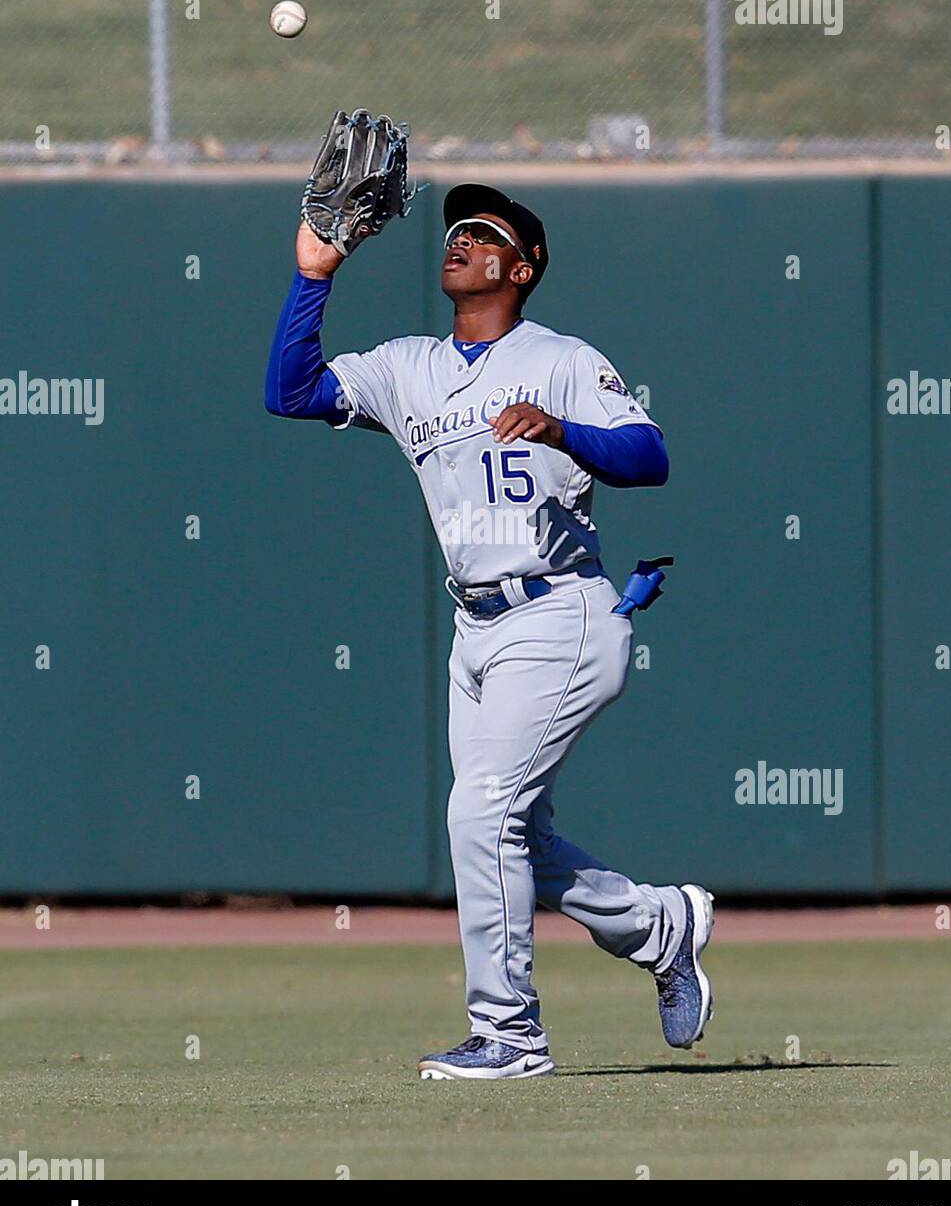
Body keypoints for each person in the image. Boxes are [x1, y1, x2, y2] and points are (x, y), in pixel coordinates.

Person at [266, 183, 714, 1079]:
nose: (459, 242)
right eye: (455, 231)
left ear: (523, 266)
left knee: (479, 814)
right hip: (475, 630)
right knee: (513, 836)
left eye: (483, 234)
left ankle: (509, 1033)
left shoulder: (560, 360)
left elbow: (651, 457)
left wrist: (567, 430)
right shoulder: (408, 366)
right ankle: (661, 926)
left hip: (561, 613)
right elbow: (291, 391)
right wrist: (314, 272)